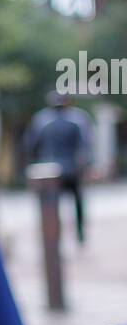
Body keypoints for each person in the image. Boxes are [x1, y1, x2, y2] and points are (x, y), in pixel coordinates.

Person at [24, 92, 95, 244]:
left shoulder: (42, 119)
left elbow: (32, 145)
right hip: (71, 169)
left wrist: (35, 164)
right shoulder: (78, 118)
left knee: (51, 206)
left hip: (50, 170)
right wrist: (85, 165)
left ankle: (54, 236)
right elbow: (86, 145)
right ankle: (79, 233)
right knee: (77, 202)